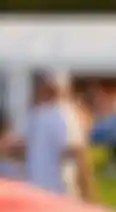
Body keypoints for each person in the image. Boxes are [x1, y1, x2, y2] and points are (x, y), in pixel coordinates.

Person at [24, 71, 97, 201]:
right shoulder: (65, 115)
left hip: (39, 187)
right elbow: (77, 152)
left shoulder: (38, 115)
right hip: (59, 189)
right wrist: (89, 192)